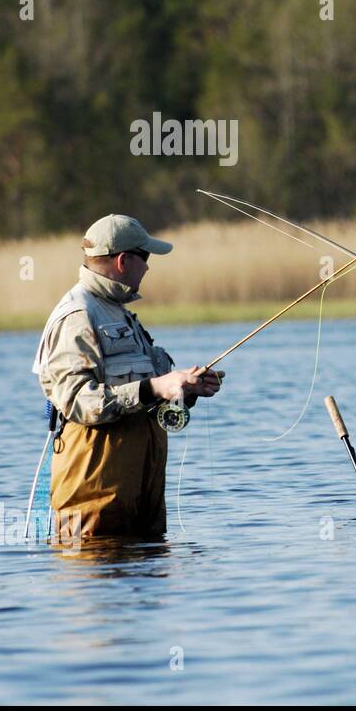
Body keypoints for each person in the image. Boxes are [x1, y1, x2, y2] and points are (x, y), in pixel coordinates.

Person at [32, 215, 223, 538]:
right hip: (94, 501)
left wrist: (184, 390)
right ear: (123, 260)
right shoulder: (78, 315)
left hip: (138, 499)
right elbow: (79, 401)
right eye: (145, 258)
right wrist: (155, 386)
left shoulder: (117, 312)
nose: (148, 267)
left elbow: (147, 395)